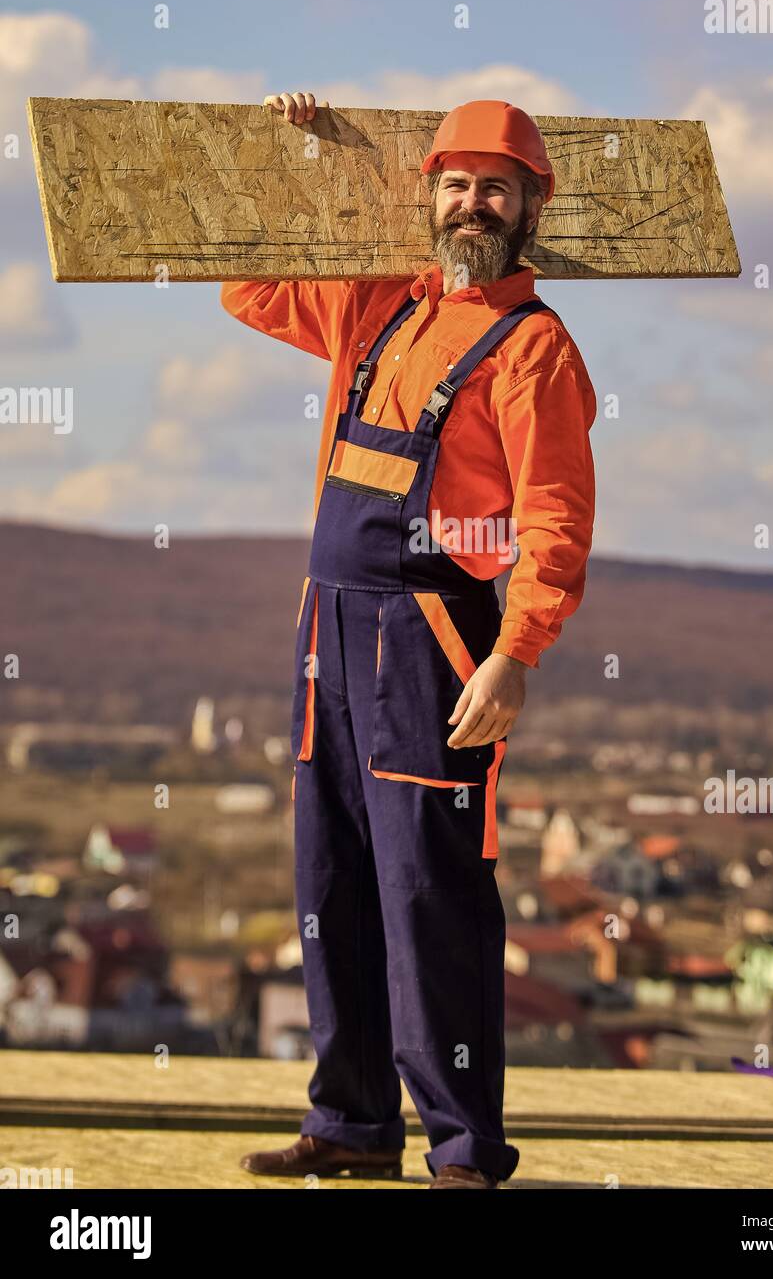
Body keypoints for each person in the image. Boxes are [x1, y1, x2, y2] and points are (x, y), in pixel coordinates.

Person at [221, 94, 596, 1189]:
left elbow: (555, 520)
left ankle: (464, 1149)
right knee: (330, 876)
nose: (471, 204)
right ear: (425, 197)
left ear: (531, 207)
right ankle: (347, 1124)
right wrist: (302, 163)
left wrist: (515, 652)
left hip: (437, 640)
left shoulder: (534, 350)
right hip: (326, 634)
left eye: (495, 187)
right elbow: (246, 285)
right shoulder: (373, 306)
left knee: (431, 893)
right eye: (453, 184)